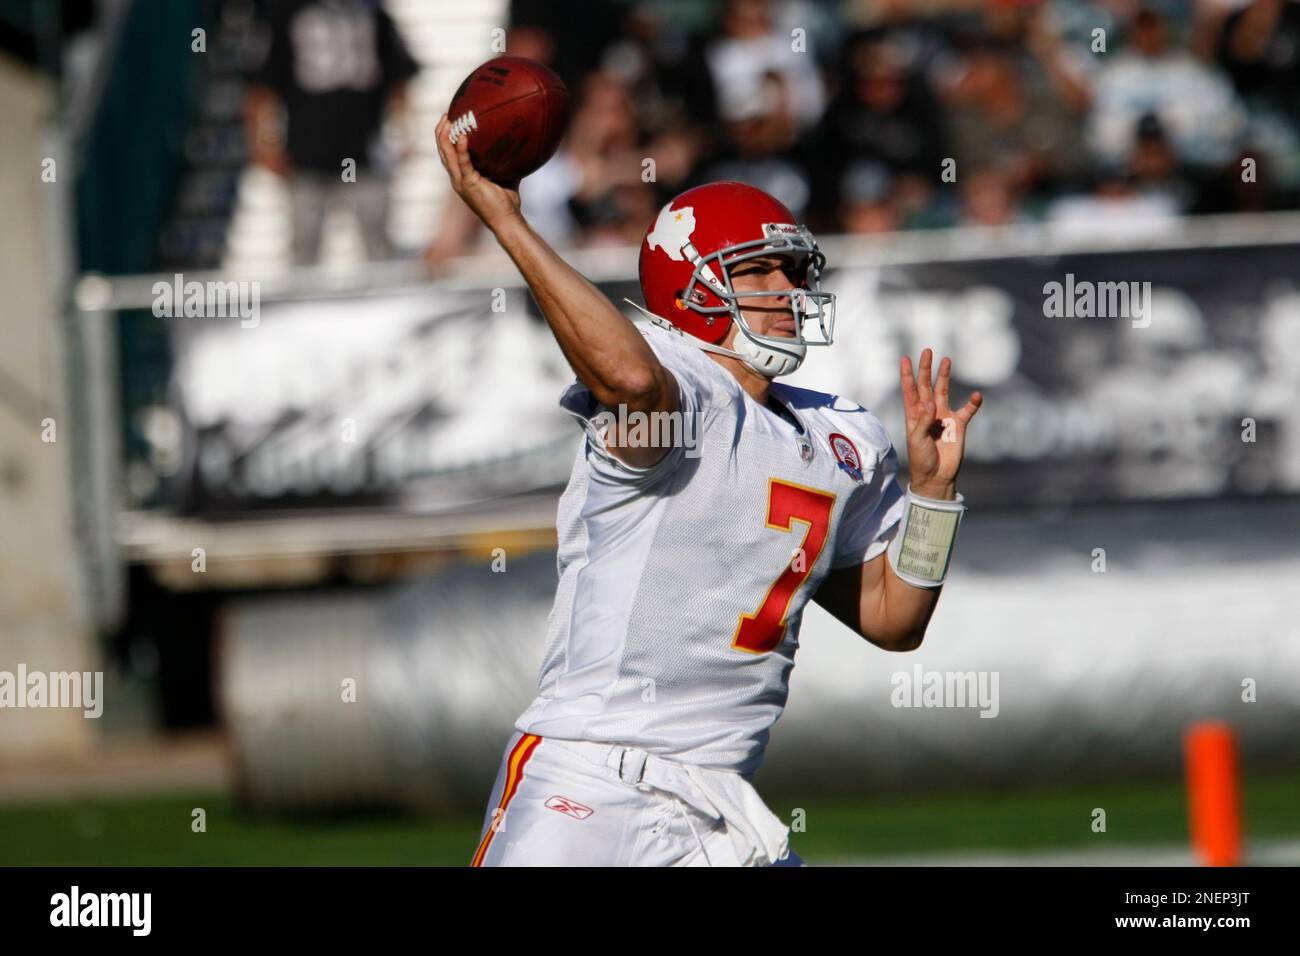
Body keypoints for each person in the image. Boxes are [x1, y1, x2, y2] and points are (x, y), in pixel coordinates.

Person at [434, 113, 982, 866]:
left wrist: (932, 498)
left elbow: (894, 620)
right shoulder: (675, 394)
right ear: (689, 288)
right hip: (590, 784)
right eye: (759, 271)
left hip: (721, 807)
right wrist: (506, 220)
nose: (787, 289)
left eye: (794, 271)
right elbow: (629, 377)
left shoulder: (842, 439)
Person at [245, 0, 419, 265]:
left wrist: (405, 133)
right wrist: (262, 145)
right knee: (304, 251)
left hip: (364, 155)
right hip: (309, 156)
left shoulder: (374, 14)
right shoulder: (287, 14)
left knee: (378, 250)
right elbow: (262, 86)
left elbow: (398, 78)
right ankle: (301, 306)